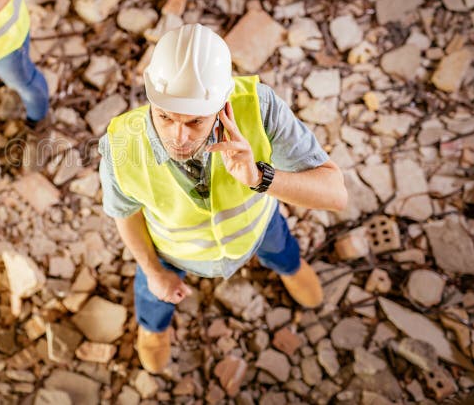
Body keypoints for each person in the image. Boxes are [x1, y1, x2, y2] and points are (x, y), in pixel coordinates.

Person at [98, 24, 348, 374]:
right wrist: (154, 271)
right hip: (171, 250)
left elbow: (335, 193)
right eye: (165, 116)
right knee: (152, 289)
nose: (178, 137)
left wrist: (260, 178)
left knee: (282, 249)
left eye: (195, 122)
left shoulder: (259, 108)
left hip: (256, 228)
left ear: (221, 104)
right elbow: (124, 214)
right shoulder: (121, 143)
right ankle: (154, 326)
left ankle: (290, 268)